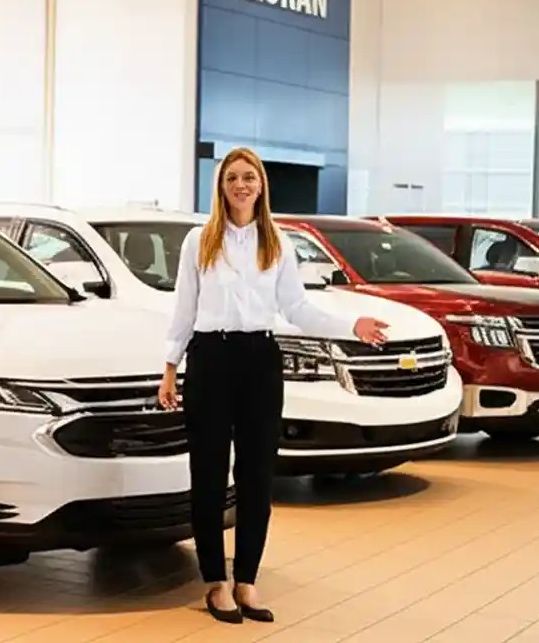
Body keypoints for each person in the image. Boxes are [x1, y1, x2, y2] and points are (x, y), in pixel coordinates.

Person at [157, 147, 389, 625]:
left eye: (249, 177)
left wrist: (353, 326)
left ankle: (246, 580)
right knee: (208, 474)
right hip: (210, 358)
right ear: (221, 187)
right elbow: (184, 309)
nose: (241, 185)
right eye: (232, 178)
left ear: (261, 185)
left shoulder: (277, 242)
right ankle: (215, 583)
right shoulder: (198, 241)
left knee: (258, 477)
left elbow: (297, 309)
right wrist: (169, 366)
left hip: (261, 360)